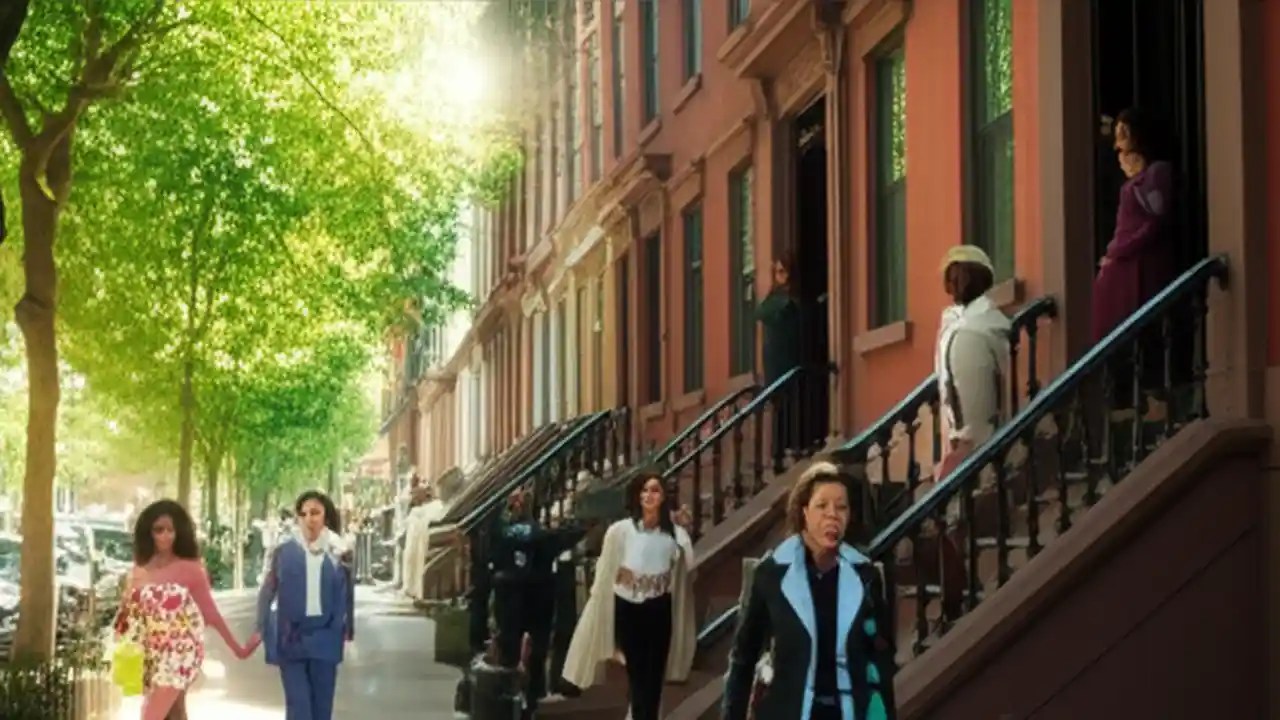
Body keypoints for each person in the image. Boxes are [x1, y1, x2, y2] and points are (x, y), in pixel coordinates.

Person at [722, 462, 897, 720]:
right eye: (822, 506)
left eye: (841, 507)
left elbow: (881, 663)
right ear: (804, 512)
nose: (832, 515)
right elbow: (743, 660)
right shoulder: (771, 574)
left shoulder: (865, 576)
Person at [561, 468, 696, 720]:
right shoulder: (621, 531)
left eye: (655, 490)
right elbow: (605, 574)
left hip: (659, 606)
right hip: (629, 607)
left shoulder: (676, 536)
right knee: (637, 671)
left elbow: (688, 572)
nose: (649, 495)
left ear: (664, 496)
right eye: (644, 490)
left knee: (654, 674)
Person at [114, 499, 253, 720]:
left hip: (180, 652)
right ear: (149, 532)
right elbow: (128, 617)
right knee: (172, 714)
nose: (166, 536)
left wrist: (239, 649)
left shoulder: (191, 570)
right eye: (159, 530)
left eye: (171, 530)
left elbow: (211, 614)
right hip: (151, 655)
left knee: (150, 715)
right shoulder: (140, 569)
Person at [250, 490, 355, 720]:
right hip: (291, 637)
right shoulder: (283, 551)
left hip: (326, 637)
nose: (309, 518)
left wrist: (348, 628)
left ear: (325, 516)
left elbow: (348, 594)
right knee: (299, 708)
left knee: (321, 708)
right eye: (303, 513)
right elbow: (268, 590)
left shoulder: (340, 551)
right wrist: (261, 627)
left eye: (315, 512)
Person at [934, 245, 1012, 481]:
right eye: (951, 278)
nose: (956, 284)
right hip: (953, 426)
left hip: (980, 430)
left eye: (962, 277)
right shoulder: (950, 322)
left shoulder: (987, 324)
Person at [757, 253, 805, 468]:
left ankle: (796, 445)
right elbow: (762, 313)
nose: (781, 276)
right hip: (776, 363)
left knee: (795, 405)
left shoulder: (797, 298)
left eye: (784, 271)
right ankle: (777, 455)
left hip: (794, 359)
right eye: (778, 272)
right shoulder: (774, 299)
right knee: (778, 408)